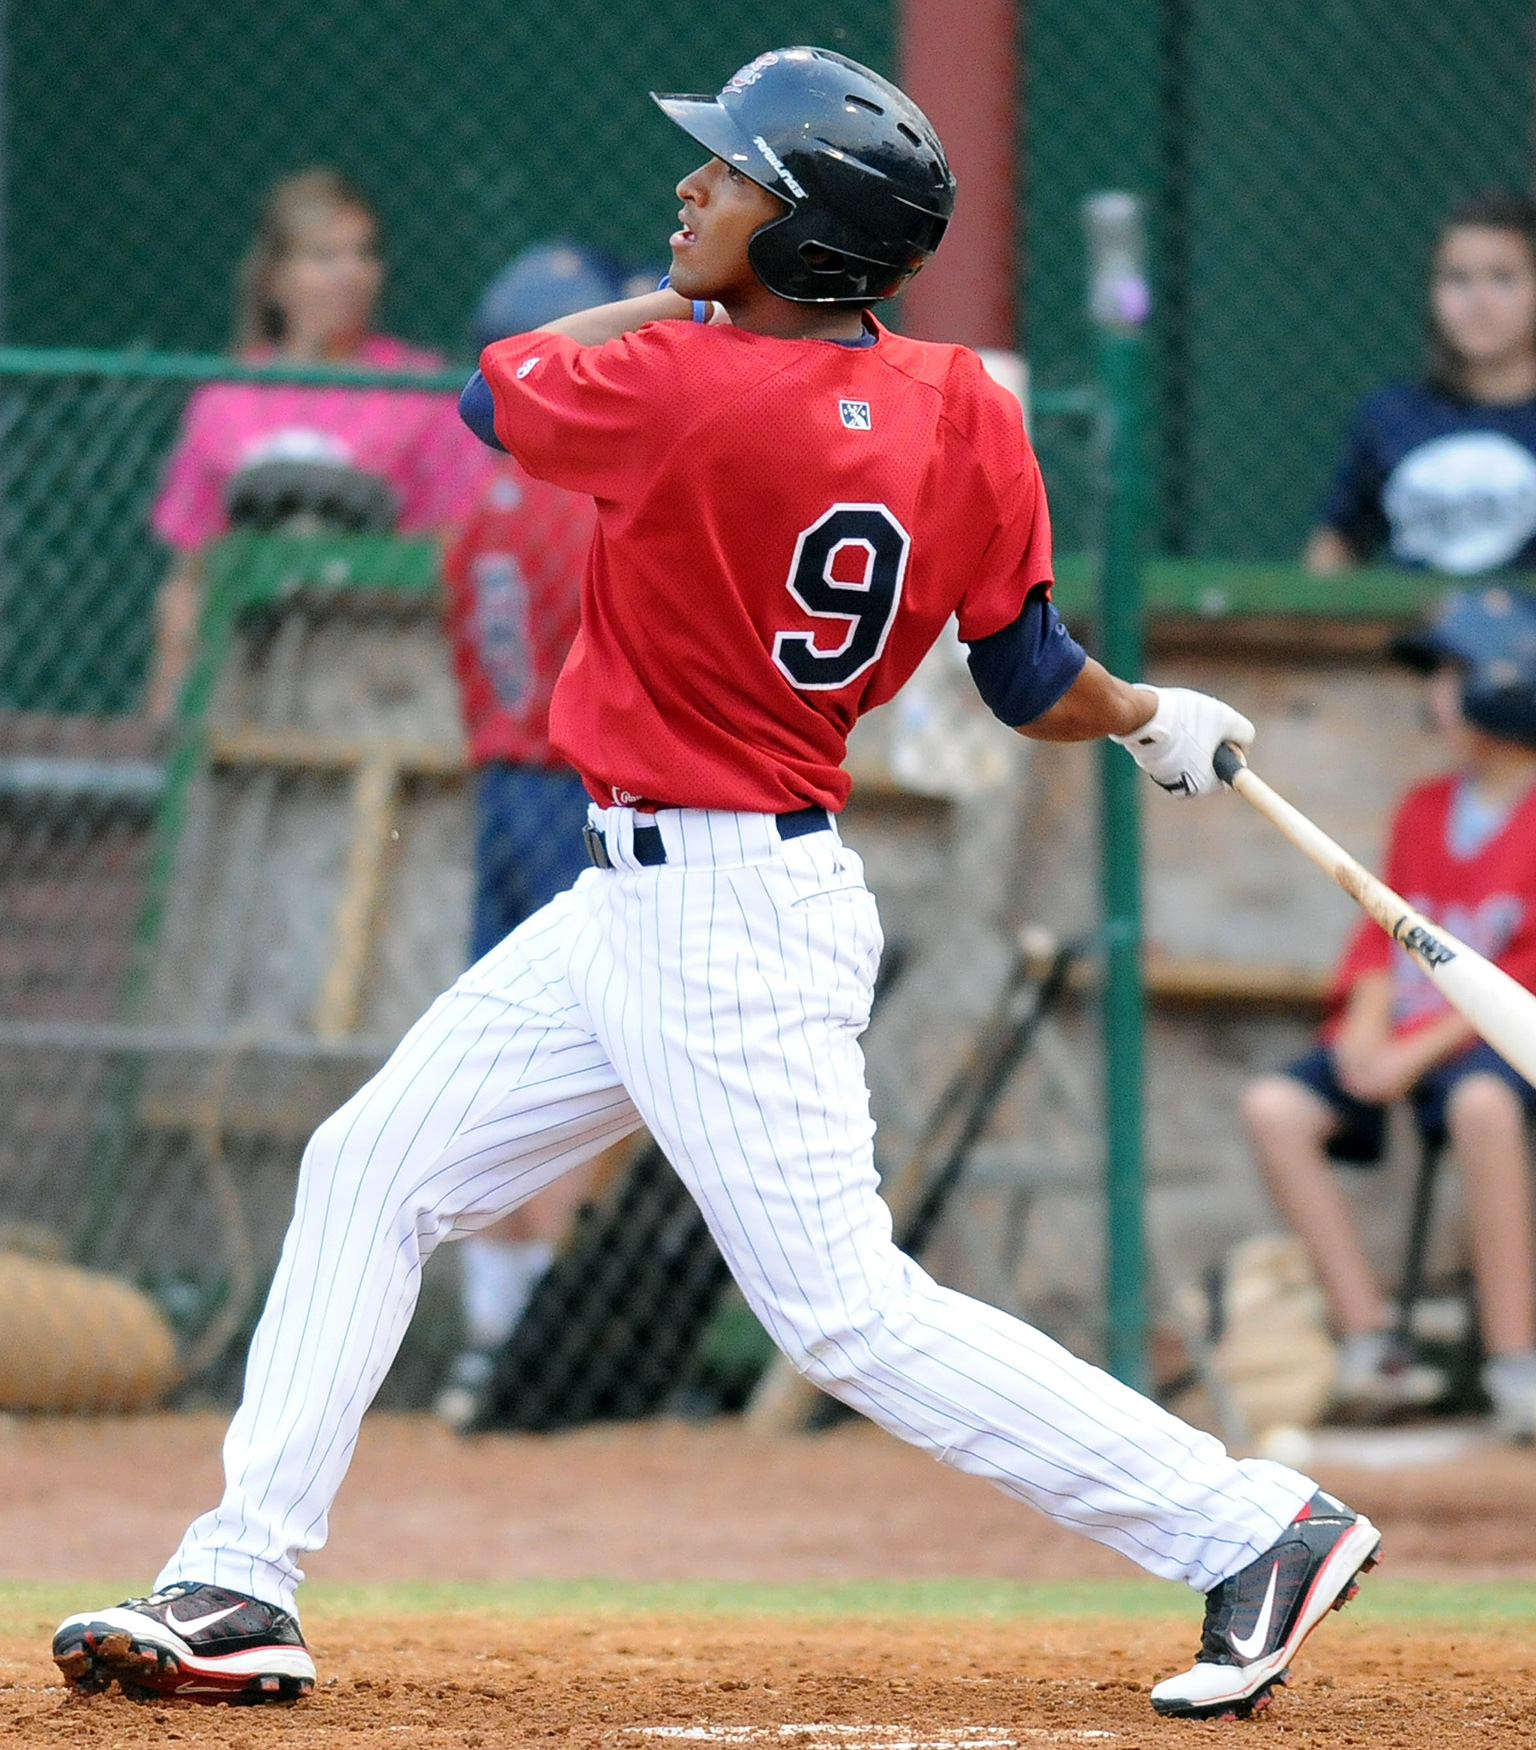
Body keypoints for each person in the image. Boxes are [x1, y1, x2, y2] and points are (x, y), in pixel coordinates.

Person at [53, 49, 1380, 1723]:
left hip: (721, 908)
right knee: (368, 1165)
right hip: (656, 894)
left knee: (842, 1315)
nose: (690, 192)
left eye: (733, 177)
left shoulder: (678, 384)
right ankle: (243, 1576)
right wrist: (1147, 720)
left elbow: (495, 390)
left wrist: (685, 302)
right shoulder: (963, 402)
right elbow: (1031, 674)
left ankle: (1252, 1523)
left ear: (808, 232)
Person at [1244, 585, 1536, 1435]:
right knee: (1276, 1108)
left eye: (1451, 673)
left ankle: (1515, 1364)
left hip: (1483, 1045)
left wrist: (1413, 1055)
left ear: (1507, 683)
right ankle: (1374, 1343)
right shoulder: (1424, 808)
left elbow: (1524, 970)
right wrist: (1366, 1031)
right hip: (1403, 1034)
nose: (1433, 694)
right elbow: (1383, 932)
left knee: (1482, 1106)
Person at [434, 242, 632, 1430]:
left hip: (498, 781)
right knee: (585, 1074)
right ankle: (540, 1342)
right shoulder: (582, 502)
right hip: (575, 790)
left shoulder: (477, 499)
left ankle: (495, 1336)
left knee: (501, 1066)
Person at [146, 169, 484, 719]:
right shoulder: (226, 395)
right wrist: (167, 702)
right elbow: (189, 572)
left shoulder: (421, 391)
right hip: (242, 664)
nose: (350, 274)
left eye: (363, 254)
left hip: (374, 666)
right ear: (276, 278)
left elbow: (455, 548)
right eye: (324, 256)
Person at [1307, 192, 1536, 578]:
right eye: (1457, 279)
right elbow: (1335, 545)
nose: (1477, 302)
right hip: (1417, 634)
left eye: (1502, 278)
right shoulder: (1393, 415)